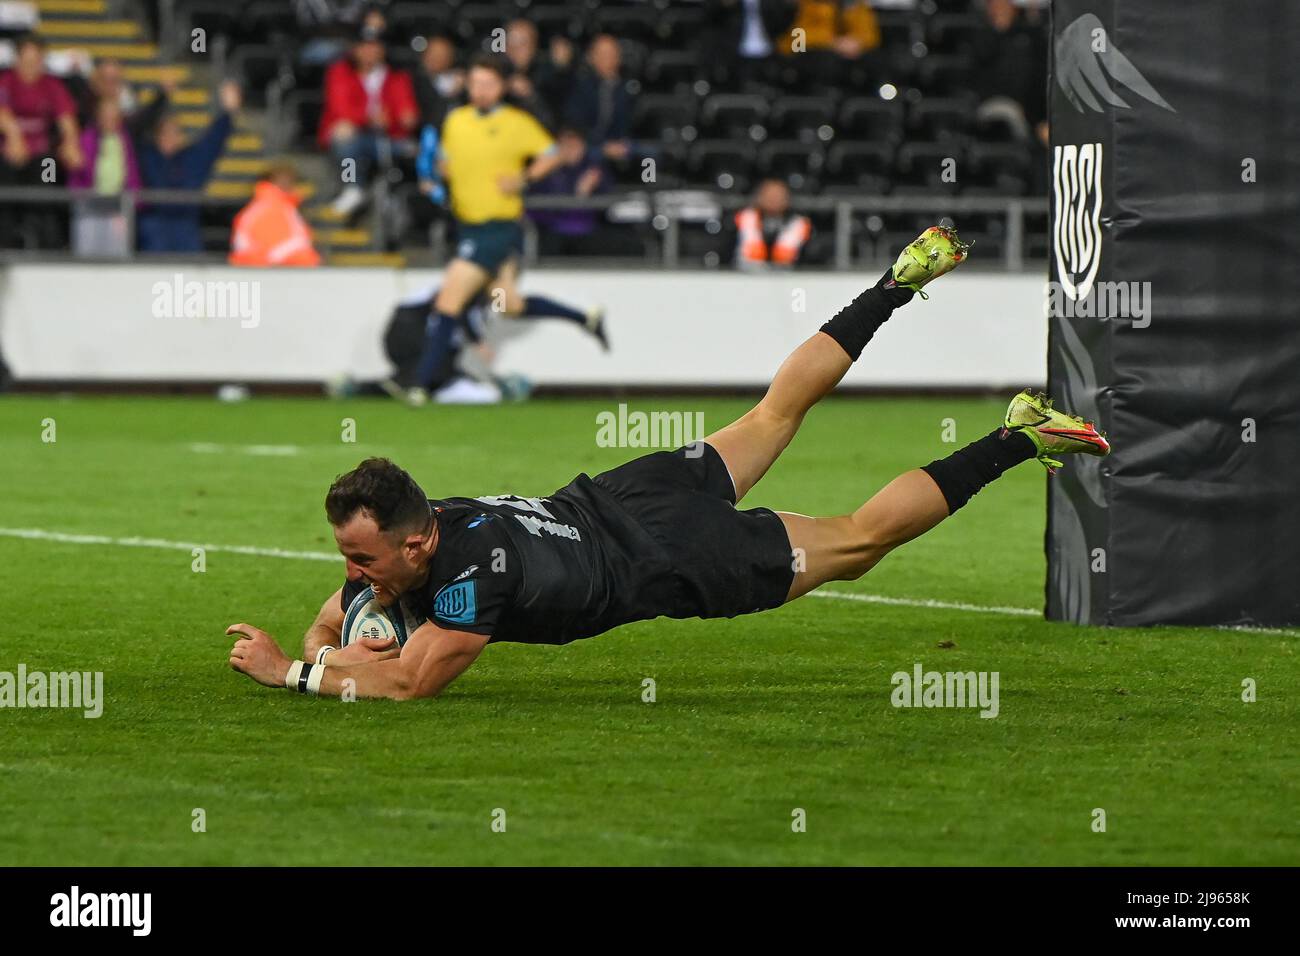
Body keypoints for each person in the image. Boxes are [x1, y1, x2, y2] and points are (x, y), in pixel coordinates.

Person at [226, 223, 1113, 700]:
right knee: (776, 409)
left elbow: (414, 684)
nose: (349, 572)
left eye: (361, 558)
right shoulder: (430, 519)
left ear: (416, 548)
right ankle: (897, 284)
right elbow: (332, 615)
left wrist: (300, 674)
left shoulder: (465, 577)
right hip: (631, 491)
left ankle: (1020, 437)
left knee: (857, 540)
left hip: (670, 557)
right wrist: (336, 636)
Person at [405, 53, 607, 407]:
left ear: (501, 87)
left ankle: (420, 385)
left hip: (496, 227)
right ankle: (585, 317)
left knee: (448, 300)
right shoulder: (455, 120)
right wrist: (444, 172)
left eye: (488, 83)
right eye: (476, 83)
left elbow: (554, 152)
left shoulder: (516, 122)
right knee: (509, 304)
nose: (481, 90)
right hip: (466, 225)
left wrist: (524, 177)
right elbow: (447, 162)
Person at [318, 24, 419, 217]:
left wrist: (397, 119)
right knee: (343, 136)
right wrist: (369, 118)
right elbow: (341, 110)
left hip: (389, 138)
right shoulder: (340, 72)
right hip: (356, 137)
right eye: (364, 46)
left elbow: (408, 115)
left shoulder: (397, 76)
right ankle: (352, 187)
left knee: (415, 150)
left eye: (375, 46)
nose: (370, 51)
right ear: (355, 49)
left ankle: (405, 204)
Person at [136, 81, 240, 253]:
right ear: (156, 136)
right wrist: (161, 98)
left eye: (175, 132)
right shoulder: (147, 157)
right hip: (154, 228)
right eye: (165, 132)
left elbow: (213, 141)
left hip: (186, 229)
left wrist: (228, 112)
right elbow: (136, 127)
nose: (170, 137)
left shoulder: (191, 160)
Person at [0, 33, 82, 248]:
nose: (32, 68)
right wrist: (15, 136)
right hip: (8, 157)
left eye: (37, 62)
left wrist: (71, 143)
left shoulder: (51, 85)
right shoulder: (6, 82)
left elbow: (67, 119)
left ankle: (48, 244)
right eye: (27, 62)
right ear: (17, 60)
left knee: (50, 178)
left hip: (42, 157)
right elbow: (3, 115)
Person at [67, 96, 141, 256]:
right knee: (86, 255)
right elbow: (68, 168)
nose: (109, 120)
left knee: (117, 256)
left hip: (118, 206)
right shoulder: (85, 138)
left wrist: (135, 199)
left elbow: (131, 172)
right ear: (98, 117)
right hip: (89, 205)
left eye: (113, 116)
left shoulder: (126, 139)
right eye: (105, 116)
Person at [228, 162, 321, 267]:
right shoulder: (272, 205)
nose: (288, 184)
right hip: (271, 265)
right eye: (283, 180)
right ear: (270, 181)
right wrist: (274, 257)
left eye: (291, 180)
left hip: (266, 264)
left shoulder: (282, 205)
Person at [563, 34, 633, 167]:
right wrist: (603, 146)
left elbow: (631, 123)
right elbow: (575, 123)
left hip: (622, 146)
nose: (606, 58)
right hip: (589, 146)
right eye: (601, 54)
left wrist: (620, 144)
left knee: (649, 157)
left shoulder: (629, 89)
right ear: (591, 57)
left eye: (611, 53)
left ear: (619, 57)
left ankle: (650, 183)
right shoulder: (580, 87)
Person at [733, 178, 810, 271]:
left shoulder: (799, 224)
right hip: (744, 276)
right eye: (769, 195)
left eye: (778, 196)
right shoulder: (743, 219)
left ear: (787, 199)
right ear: (759, 197)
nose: (773, 199)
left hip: (790, 277)